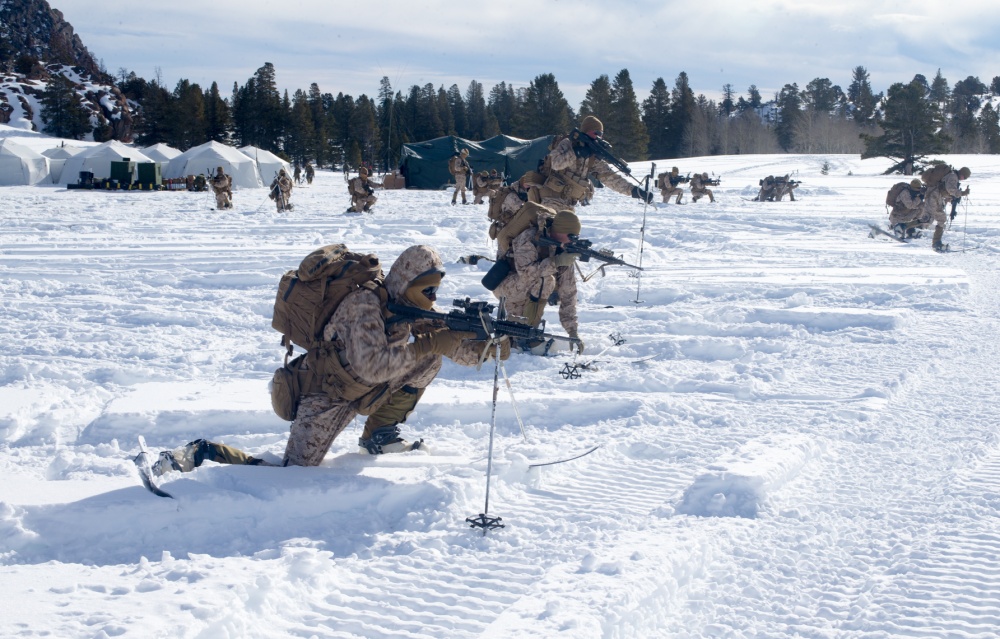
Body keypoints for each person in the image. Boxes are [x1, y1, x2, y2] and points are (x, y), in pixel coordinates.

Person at [151, 245, 509, 475]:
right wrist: (432, 343)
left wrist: (485, 350)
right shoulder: (364, 304)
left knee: (428, 361)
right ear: (405, 281)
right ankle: (205, 453)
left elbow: (443, 347)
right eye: (427, 289)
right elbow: (373, 364)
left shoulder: (407, 304)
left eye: (436, 290)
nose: (432, 298)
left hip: (363, 388)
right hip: (326, 393)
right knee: (293, 474)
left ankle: (379, 436)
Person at [492, 208, 583, 355]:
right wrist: (556, 261)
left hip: (527, 289)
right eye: (572, 236)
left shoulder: (562, 249)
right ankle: (527, 334)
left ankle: (524, 333)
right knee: (546, 279)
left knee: (513, 332)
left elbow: (568, 291)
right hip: (506, 286)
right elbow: (526, 273)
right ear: (560, 231)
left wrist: (572, 330)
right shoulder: (529, 238)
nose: (573, 241)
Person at [528, 115, 652, 213]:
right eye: (596, 132)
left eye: (601, 134)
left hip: (568, 203)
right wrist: (576, 153)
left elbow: (609, 177)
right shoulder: (568, 143)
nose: (598, 136)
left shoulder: (591, 156)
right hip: (551, 199)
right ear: (586, 131)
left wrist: (634, 191)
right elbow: (555, 163)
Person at [925, 166, 970, 251]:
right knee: (927, 218)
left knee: (942, 218)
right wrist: (962, 193)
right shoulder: (953, 176)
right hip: (933, 195)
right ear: (961, 173)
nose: (963, 179)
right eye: (964, 177)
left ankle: (936, 243)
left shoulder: (953, 176)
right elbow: (951, 190)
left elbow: (945, 189)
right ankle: (904, 226)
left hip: (938, 197)